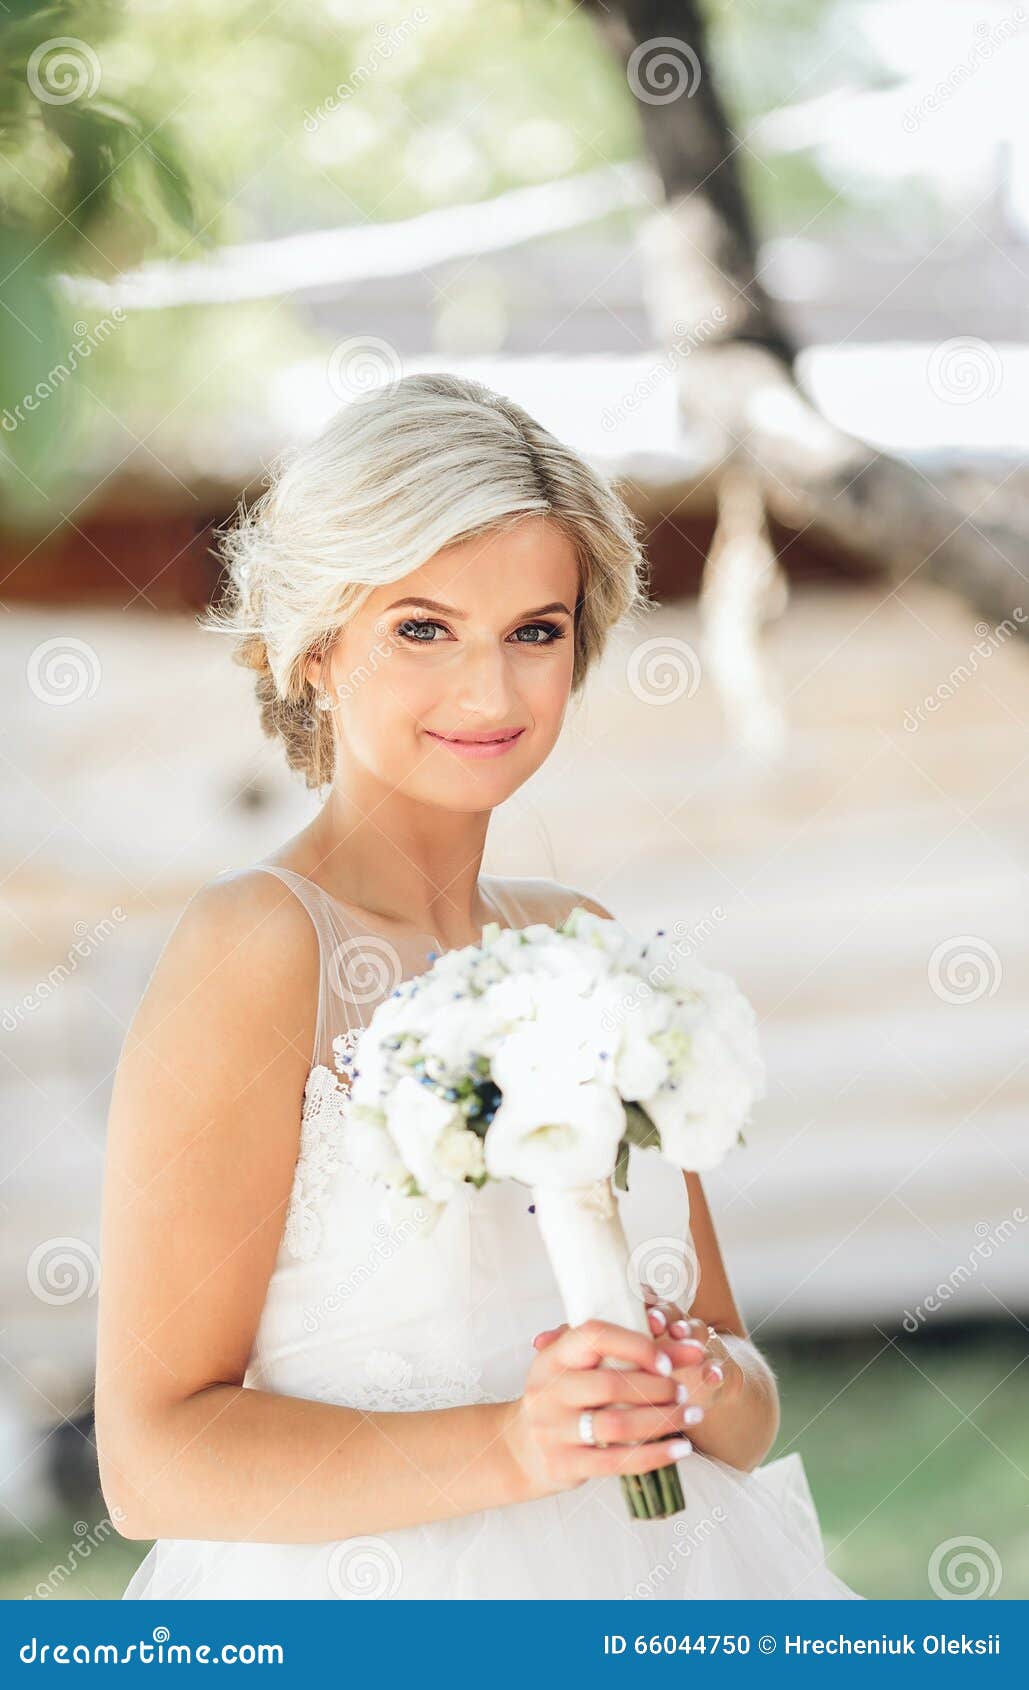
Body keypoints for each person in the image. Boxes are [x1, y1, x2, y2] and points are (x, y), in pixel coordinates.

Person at [95, 372, 860, 1599]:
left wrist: (697, 1382)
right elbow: (152, 1461)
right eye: (422, 627)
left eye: (535, 632)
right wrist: (518, 1443)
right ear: (314, 643)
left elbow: (744, 1392)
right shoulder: (257, 945)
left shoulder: (587, 947)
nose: (491, 692)